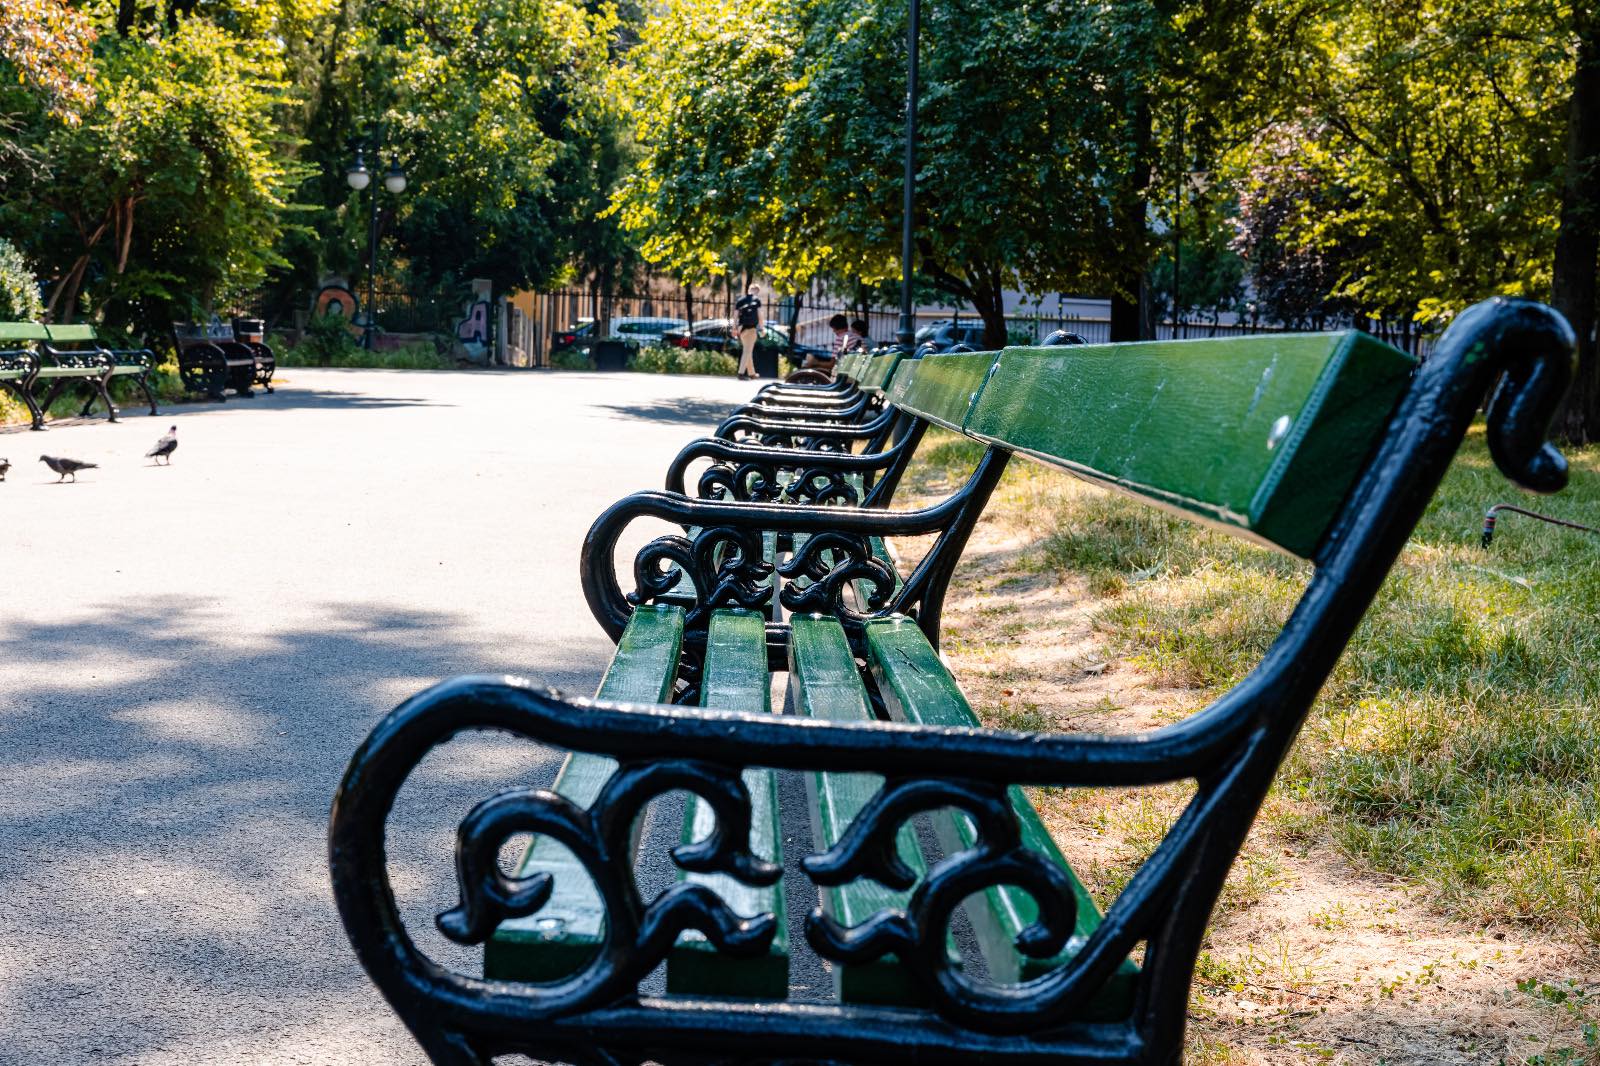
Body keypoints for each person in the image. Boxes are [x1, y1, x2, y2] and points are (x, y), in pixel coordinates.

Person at [734, 284, 761, 379]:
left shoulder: (740, 300)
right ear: (757, 291)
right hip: (751, 328)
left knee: (747, 349)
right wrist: (762, 328)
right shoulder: (756, 300)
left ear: (749, 289)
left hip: (741, 328)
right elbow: (760, 315)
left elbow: (735, 315)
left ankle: (751, 373)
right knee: (747, 351)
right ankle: (741, 373)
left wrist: (734, 328)